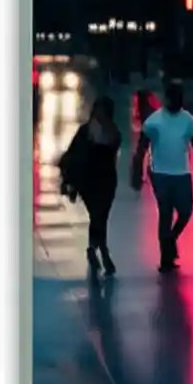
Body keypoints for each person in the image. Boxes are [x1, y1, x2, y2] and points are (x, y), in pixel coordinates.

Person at [132, 82, 193, 273]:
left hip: (181, 173)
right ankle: (165, 258)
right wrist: (138, 172)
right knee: (166, 214)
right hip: (160, 173)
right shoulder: (154, 122)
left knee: (186, 210)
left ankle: (170, 239)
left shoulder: (188, 120)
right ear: (168, 99)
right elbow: (141, 149)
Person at [59, 96, 122, 276]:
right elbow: (72, 155)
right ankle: (103, 253)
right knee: (97, 216)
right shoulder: (85, 131)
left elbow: (114, 147)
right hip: (88, 181)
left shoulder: (113, 132)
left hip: (107, 181)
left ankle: (92, 249)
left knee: (100, 217)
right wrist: (69, 181)